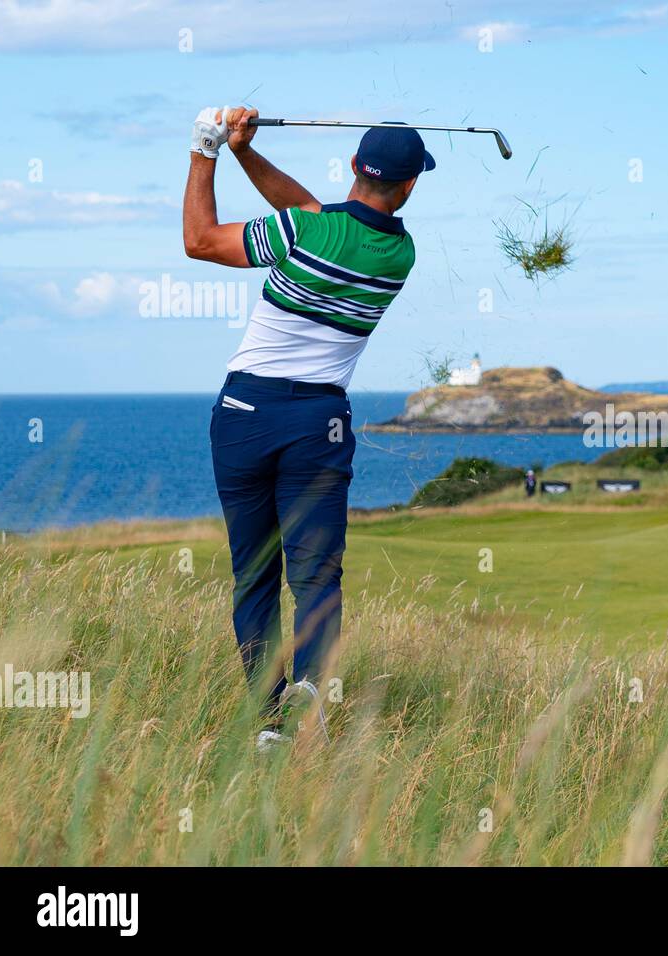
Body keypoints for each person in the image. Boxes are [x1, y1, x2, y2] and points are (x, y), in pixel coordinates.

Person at [182, 106, 432, 752]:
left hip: (242, 419)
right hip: (317, 424)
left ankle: (268, 723)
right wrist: (245, 154)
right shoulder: (398, 253)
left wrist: (205, 148)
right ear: (408, 187)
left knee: (255, 577)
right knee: (317, 577)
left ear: (353, 166)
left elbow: (200, 240)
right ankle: (312, 706)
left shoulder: (300, 233)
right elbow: (320, 216)